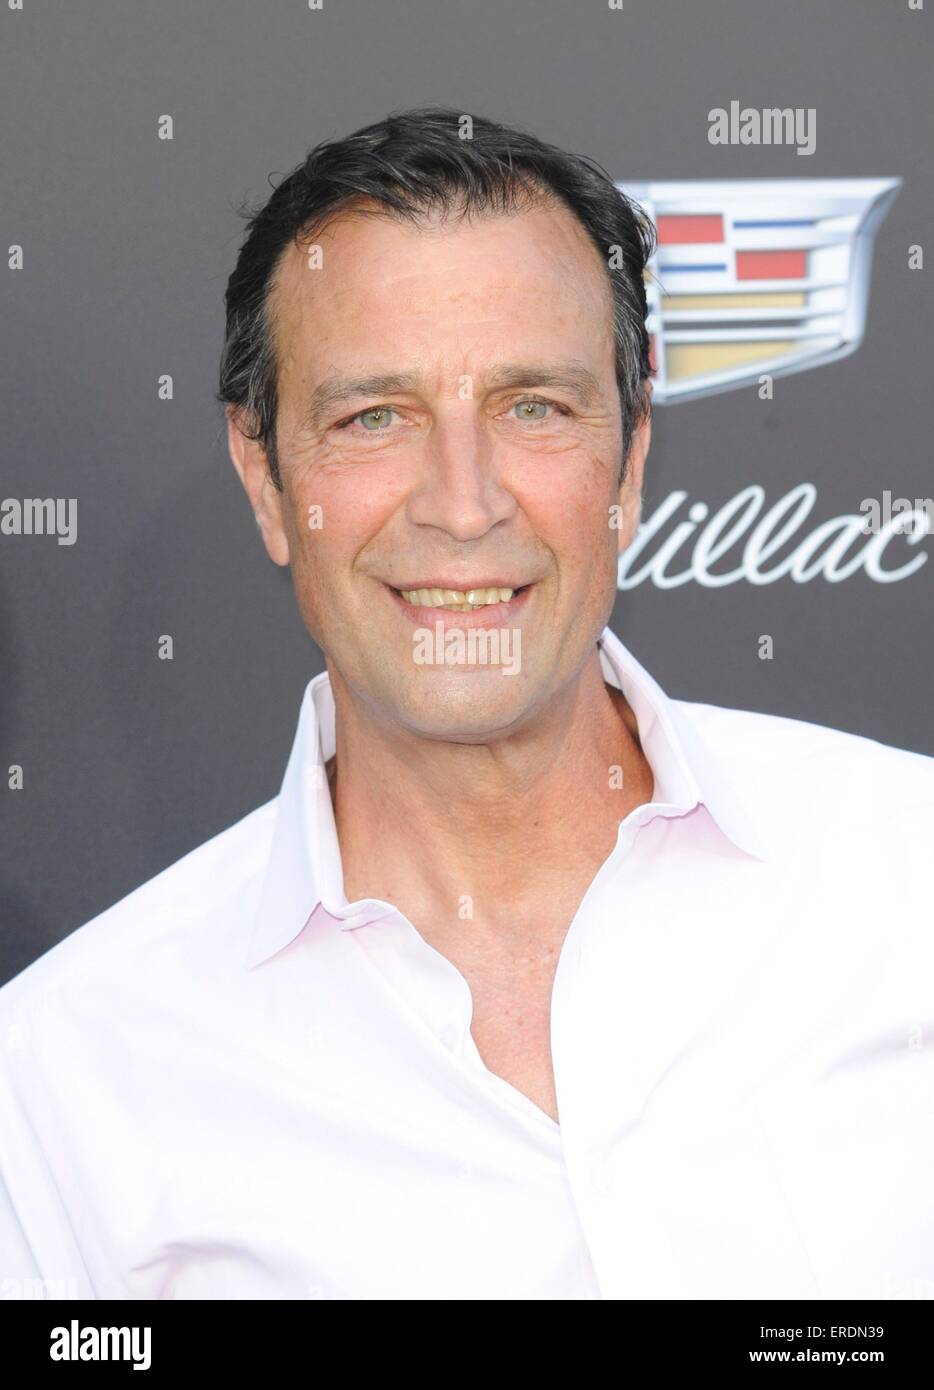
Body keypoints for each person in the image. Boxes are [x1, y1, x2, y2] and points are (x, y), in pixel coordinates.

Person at [1, 108, 932, 1301]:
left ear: (630, 458)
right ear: (266, 477)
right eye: (372, 416)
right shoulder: (68, 1077)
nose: (462, 501)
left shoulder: (906, 878)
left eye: (531, 406)